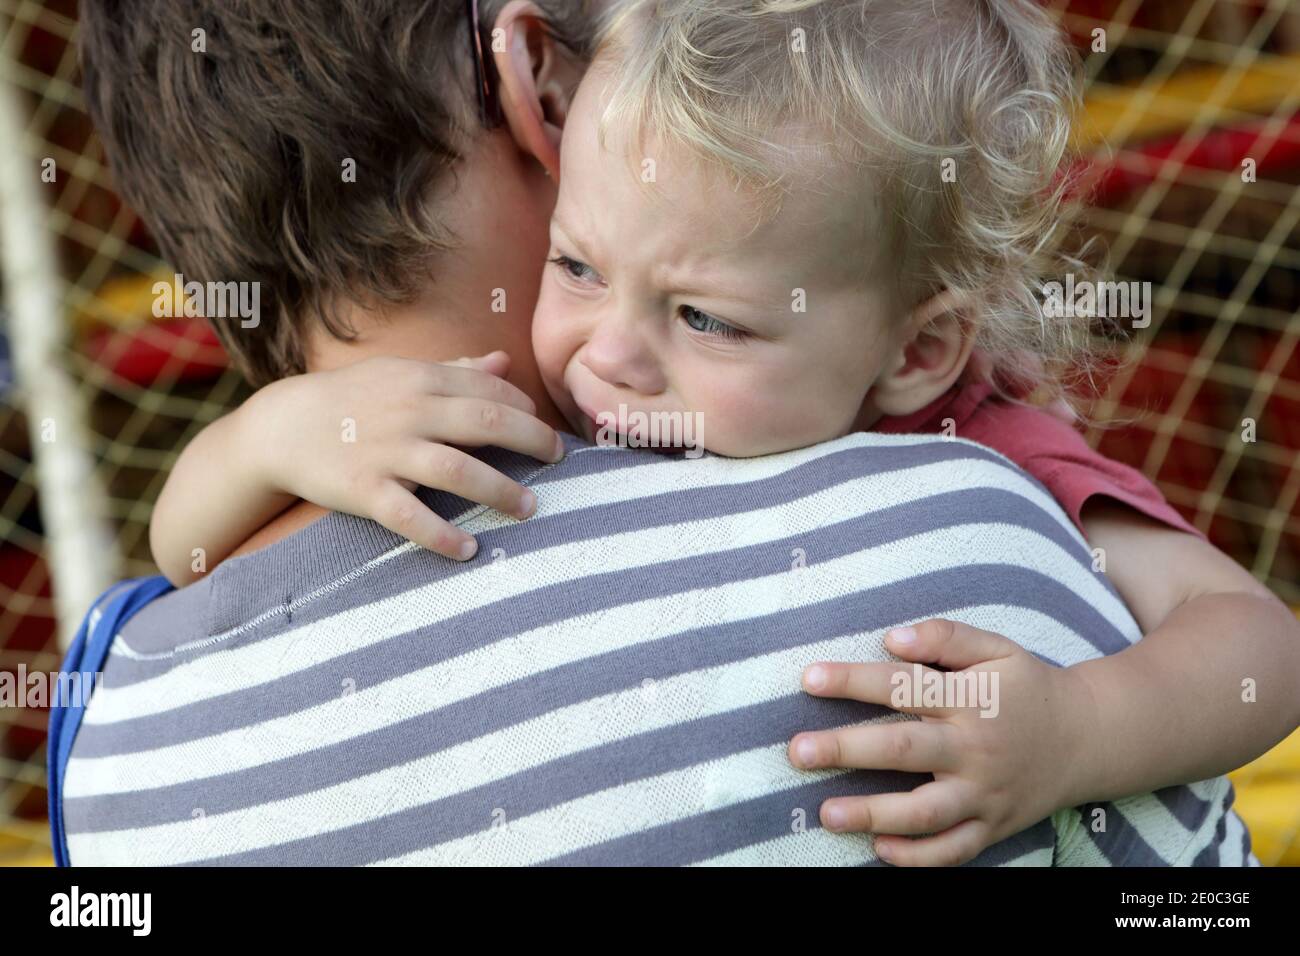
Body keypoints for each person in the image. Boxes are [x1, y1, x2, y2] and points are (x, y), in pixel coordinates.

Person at [50, 0, 1266, 866]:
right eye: (577, 265)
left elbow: (1254, 641)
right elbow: (175, 541)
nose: (610, 354)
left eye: (706, 318)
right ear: (546, 109)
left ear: (912, 356)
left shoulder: (987, 448)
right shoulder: (469, 421)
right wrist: (269, 436)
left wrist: (1079, 731)